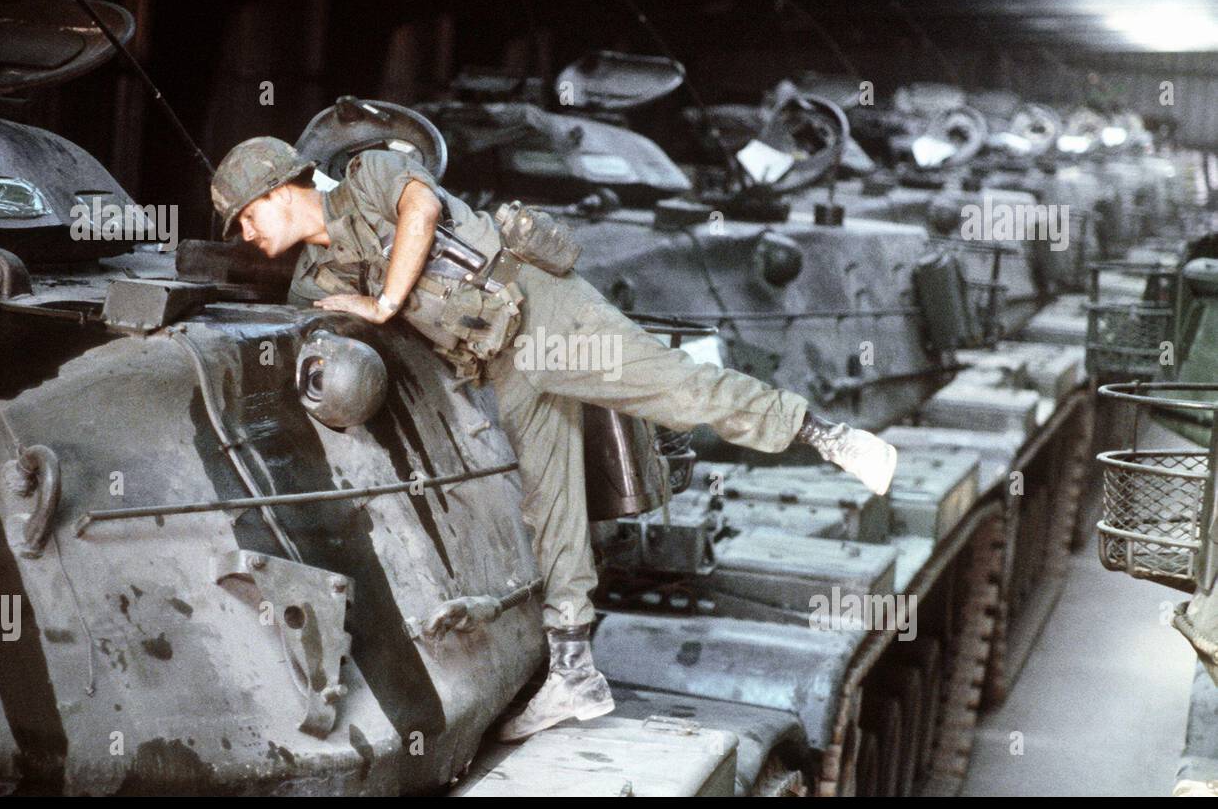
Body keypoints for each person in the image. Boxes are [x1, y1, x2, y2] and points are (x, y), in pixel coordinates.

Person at [211, 136, 897, 742]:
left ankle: (831, 438)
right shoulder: (315, 280)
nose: (245, 232)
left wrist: (383, 302)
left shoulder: (370, 175)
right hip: (503, 364)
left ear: (282, 188)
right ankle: (574, 673)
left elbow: (420, 208)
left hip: (541, 309)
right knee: (550, 508)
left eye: (247, 214)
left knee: (679, 390)